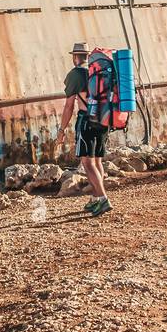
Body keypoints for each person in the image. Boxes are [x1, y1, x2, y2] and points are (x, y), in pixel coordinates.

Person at [58, 42, 112, 216]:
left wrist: (61, 130)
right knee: (97, 161)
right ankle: (96, 198)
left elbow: (68, 106)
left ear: (75, 57)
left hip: (86, 120)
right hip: (103, 119)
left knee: (87, 162)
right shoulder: (97, 72)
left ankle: (103, 199)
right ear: (87, 56)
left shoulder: (75, 75)